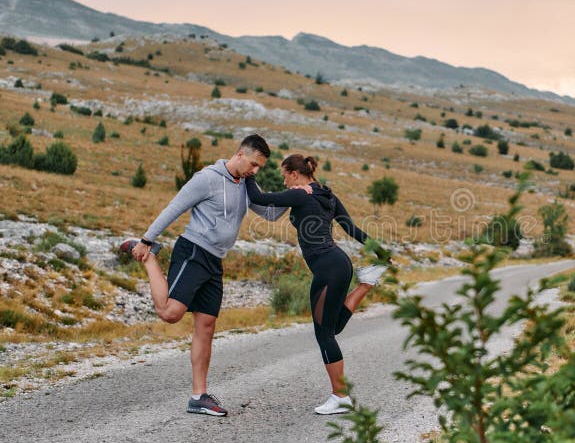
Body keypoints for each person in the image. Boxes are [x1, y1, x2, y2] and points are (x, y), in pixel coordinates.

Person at [119, 134, 297, 417]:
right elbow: (174, 207)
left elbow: (271, 215)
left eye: (259, 168)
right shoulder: (207, 178)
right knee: (170, 312)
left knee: (206, 327)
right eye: (253, 164)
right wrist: (147, 240)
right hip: (194, 251)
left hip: (215, 261)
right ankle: (149, 259)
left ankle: (198, 396)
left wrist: (297, 192)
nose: (255, 171)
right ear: (240, 154)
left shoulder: (246, 183)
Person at [245, 154, 389, 415]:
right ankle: (366, 283)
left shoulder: (300, 195)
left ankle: (340, 396)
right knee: (333, 328)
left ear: (295, 173)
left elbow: (258, 198)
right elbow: (351, 227)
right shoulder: (328, 195)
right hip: (339, 264)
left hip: (327, 268)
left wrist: (247, 172)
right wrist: (380, 251)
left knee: (324, 335)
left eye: (285, 176)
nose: (285, 181)